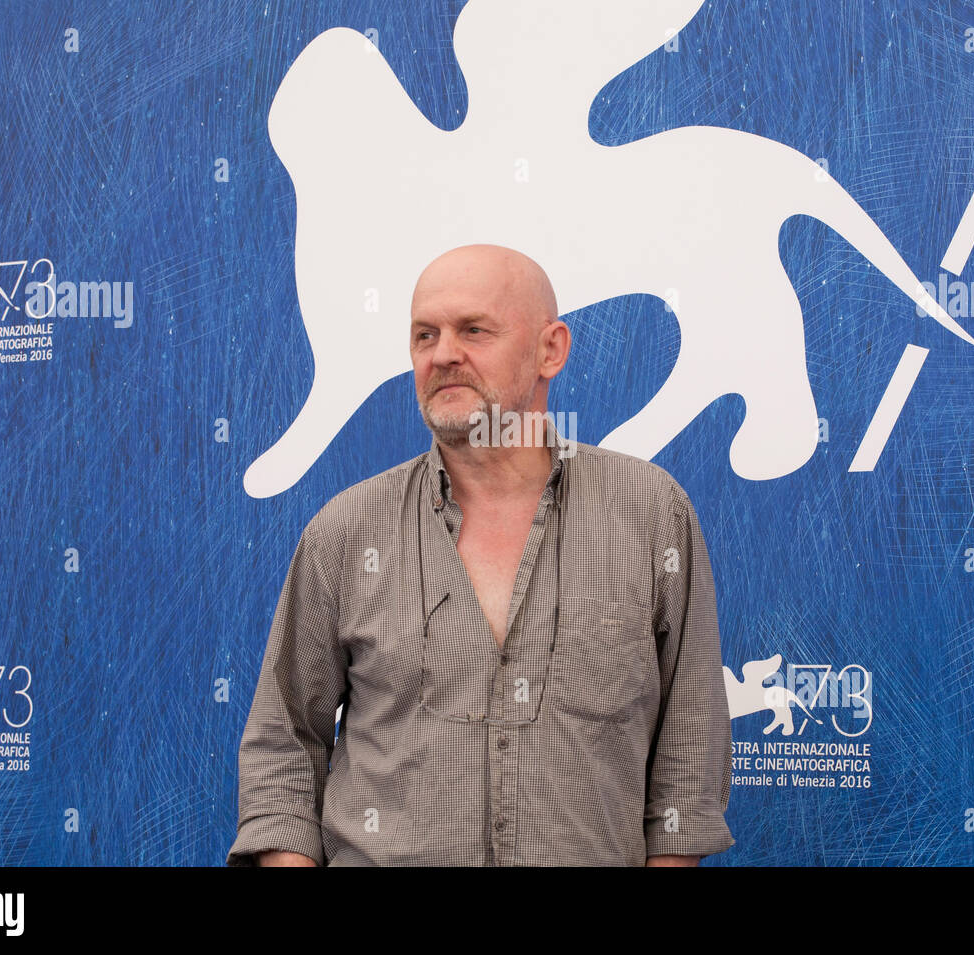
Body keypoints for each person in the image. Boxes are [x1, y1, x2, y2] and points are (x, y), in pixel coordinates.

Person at [227, 244, 734, 866]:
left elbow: (690, 747)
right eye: (424, 334)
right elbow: (284, 743)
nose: (442, 354)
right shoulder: (347, 531)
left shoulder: (651, 513)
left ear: (551, 350)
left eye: (473, 330)